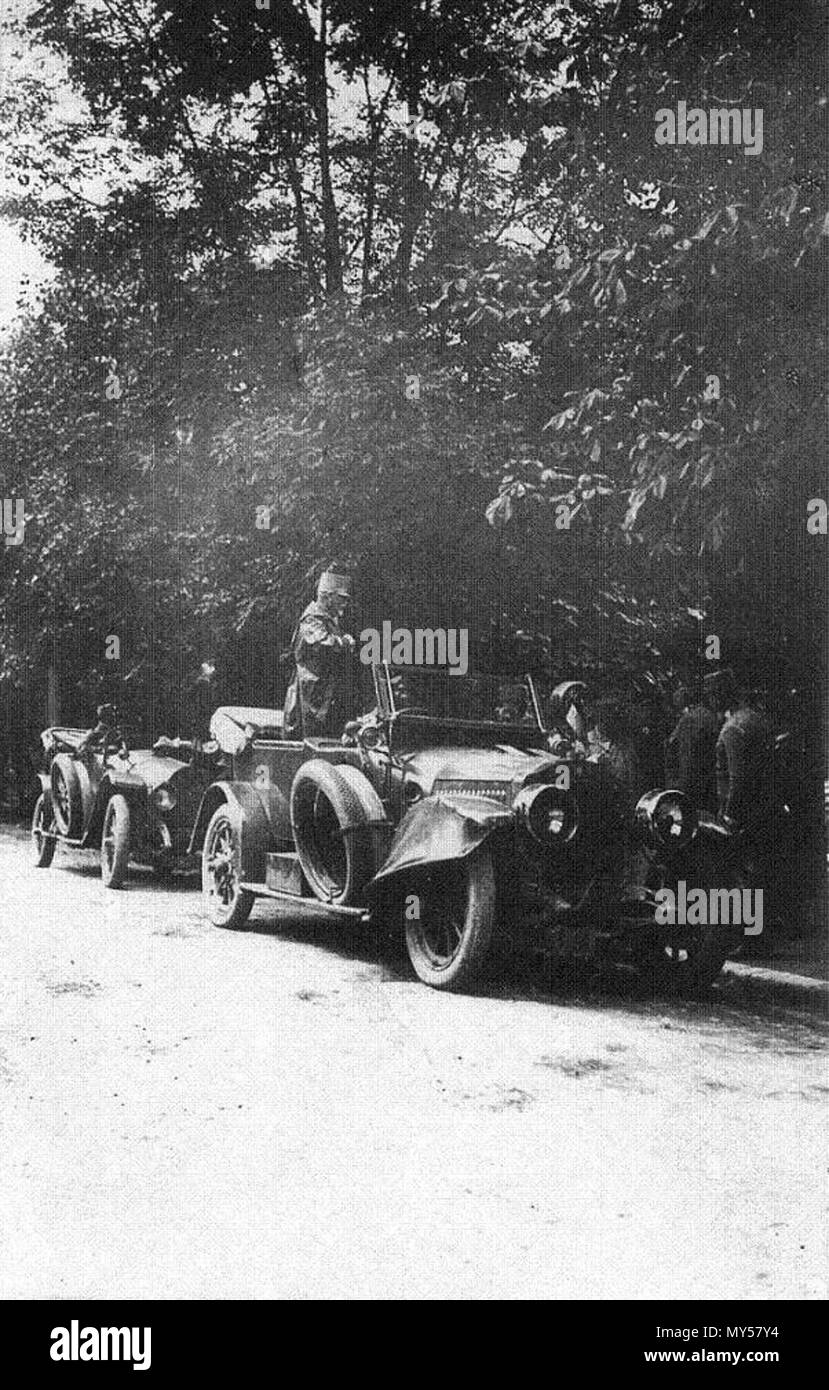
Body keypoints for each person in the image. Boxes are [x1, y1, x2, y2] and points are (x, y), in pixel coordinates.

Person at [283, 565, 357, 738]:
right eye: (341, 598)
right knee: (311, 741)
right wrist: (344, 641)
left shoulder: (328, 620)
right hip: (310, 695)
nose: (344, 603)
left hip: (323, 694)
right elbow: (323, 645)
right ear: (327, 597)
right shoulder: (312, 618)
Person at [664, 682, 721, 813]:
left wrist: (681, 795)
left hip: (693, 789)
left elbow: (688, 760)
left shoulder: (691, 720)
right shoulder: (709, 716)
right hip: (709, 786)